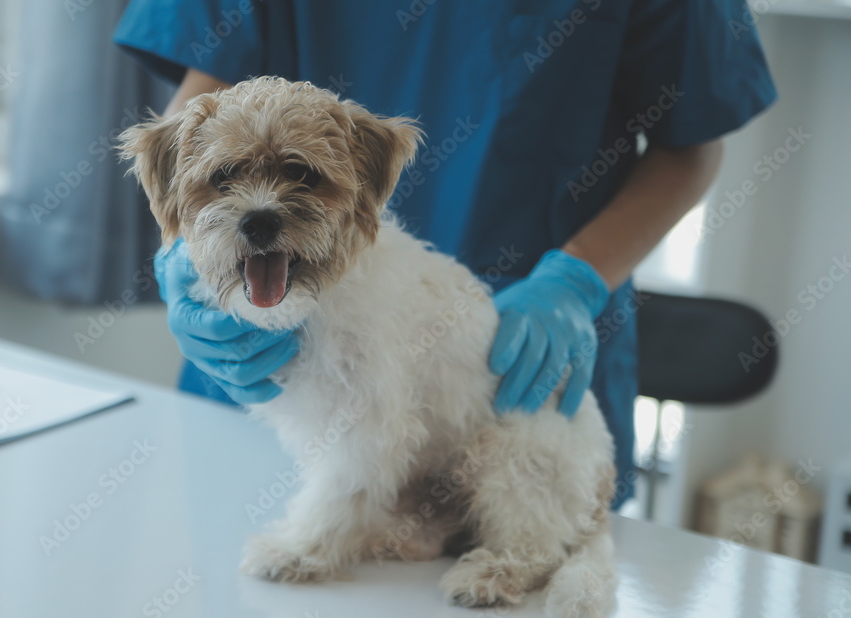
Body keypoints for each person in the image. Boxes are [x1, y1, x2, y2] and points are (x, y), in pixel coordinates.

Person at [114, 0, 777, 508]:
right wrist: (182, 259)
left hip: (510, 365)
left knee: (514, 597)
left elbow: (690, 144)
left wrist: (576, 278)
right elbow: (196, 120)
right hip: (263, 381)